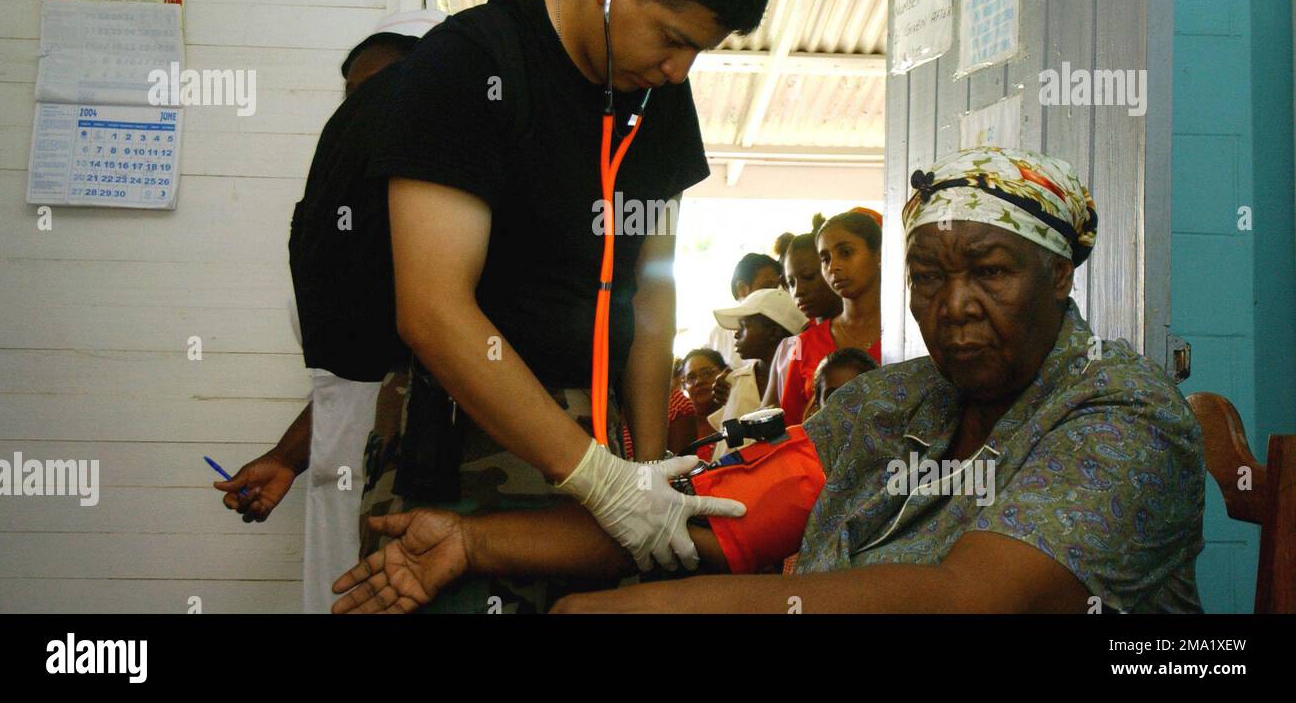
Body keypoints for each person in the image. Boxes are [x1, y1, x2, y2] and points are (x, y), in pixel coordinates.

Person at [332, 146, 1205, 614]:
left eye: (990, 271)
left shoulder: (1120, 415)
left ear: (1059, 277)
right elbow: (717, 522)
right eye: (931, 277)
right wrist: (476, 543)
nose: (955, 306)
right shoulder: (900, 401)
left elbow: (968, 598)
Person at [355, 0, 773, 610]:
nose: (681, 71)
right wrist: (599, 477)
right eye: (675, 39)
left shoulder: (656, 95)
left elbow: (651, 289)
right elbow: (432, 310)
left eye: (698, 52)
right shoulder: (472, 65)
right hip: (469, 444)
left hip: (602, 439)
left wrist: (646, 470)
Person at [212, 17, 430, 613]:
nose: (357, 114)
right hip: (341, 471)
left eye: (377, 91)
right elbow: (352, 380)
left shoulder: (444, 224)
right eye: (350, 98)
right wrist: (287, 457)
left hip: (413, 487)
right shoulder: (339, 223)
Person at [765, 211, 883, 425]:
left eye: (845, 252)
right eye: (825, 258)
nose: (833, 266)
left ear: (879, 254)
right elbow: (792, 426)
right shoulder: (805, 344)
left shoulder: (910, 334)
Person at [704, 288, 805, 459]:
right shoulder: (734, 381)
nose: (736, 334)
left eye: (744, 326)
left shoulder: (801, 381)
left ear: (773, 332)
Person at [704, 253, 781, 369]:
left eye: (778, 287)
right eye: (767, 287)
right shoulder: (717, 335)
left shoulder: (785, 328)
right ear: (742, 289)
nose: (775, 293)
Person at [802, 346, 878, 423]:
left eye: (853, 397)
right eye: (832, 396)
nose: (842, 407)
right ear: (817, 404)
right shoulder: (796, 434)